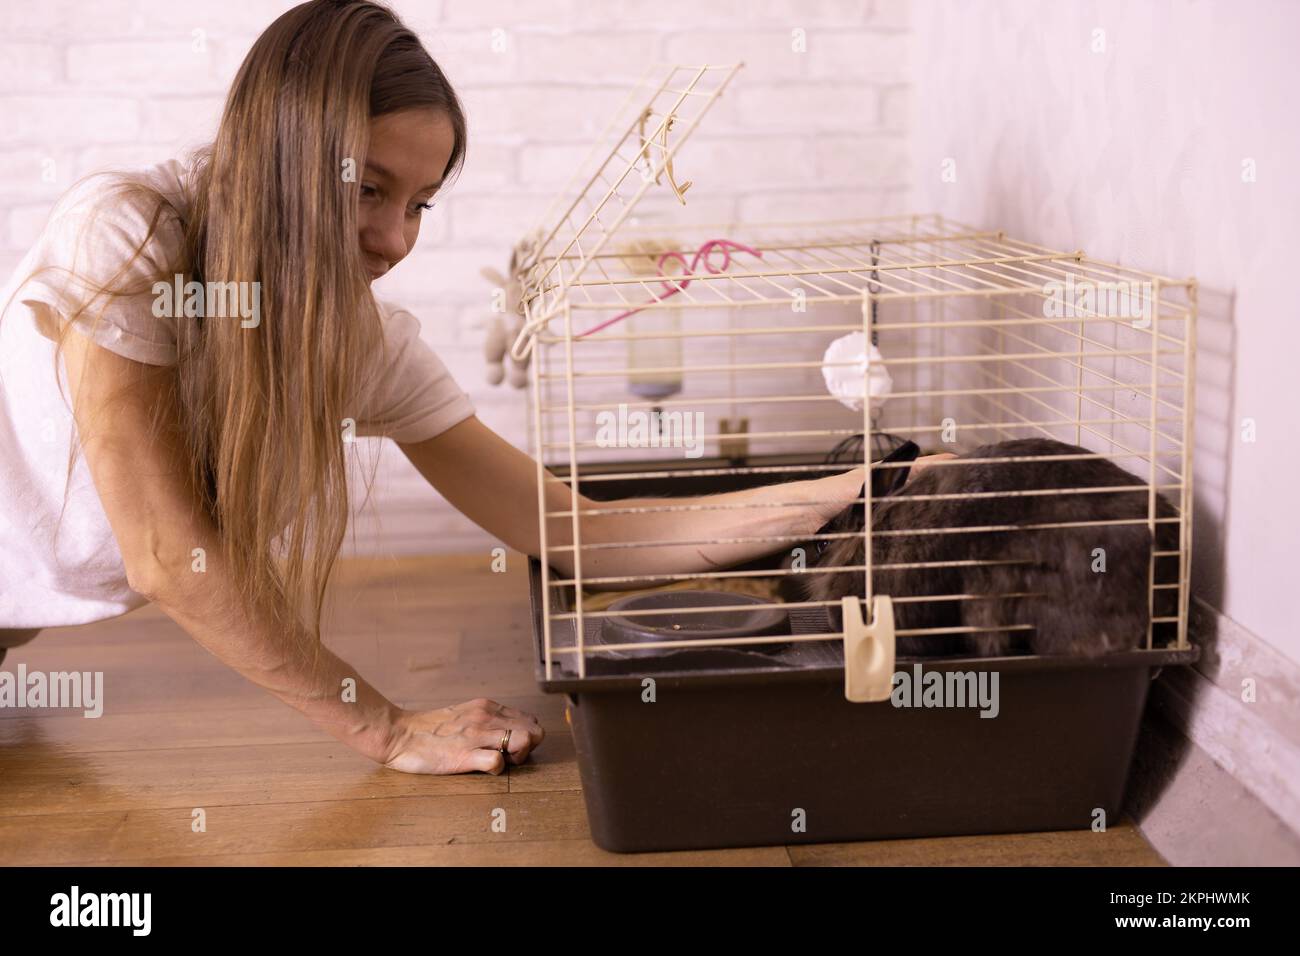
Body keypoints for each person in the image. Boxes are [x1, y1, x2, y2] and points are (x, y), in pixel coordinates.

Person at [0, 0, 892, 775]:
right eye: (370, 190)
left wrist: (867, 487)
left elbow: (579, 533)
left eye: (421, 203)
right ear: (282, 160)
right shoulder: (126, 239)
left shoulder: (358, 343)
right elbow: (163, 552)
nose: (394, 241)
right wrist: (385, 730)